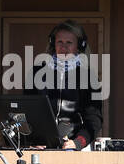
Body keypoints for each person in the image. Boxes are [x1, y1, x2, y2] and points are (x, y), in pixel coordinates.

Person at [31, 20, 103, 150]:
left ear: (79, 46)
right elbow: (28, 110)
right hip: (42, 145)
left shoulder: (89, 77)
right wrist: (34, 138)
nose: (64, 47)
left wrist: (78, 142)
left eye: (69, 42)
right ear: (53, 43)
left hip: (76, 145)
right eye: (60, 42)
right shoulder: (37, 72)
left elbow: (94, 119)